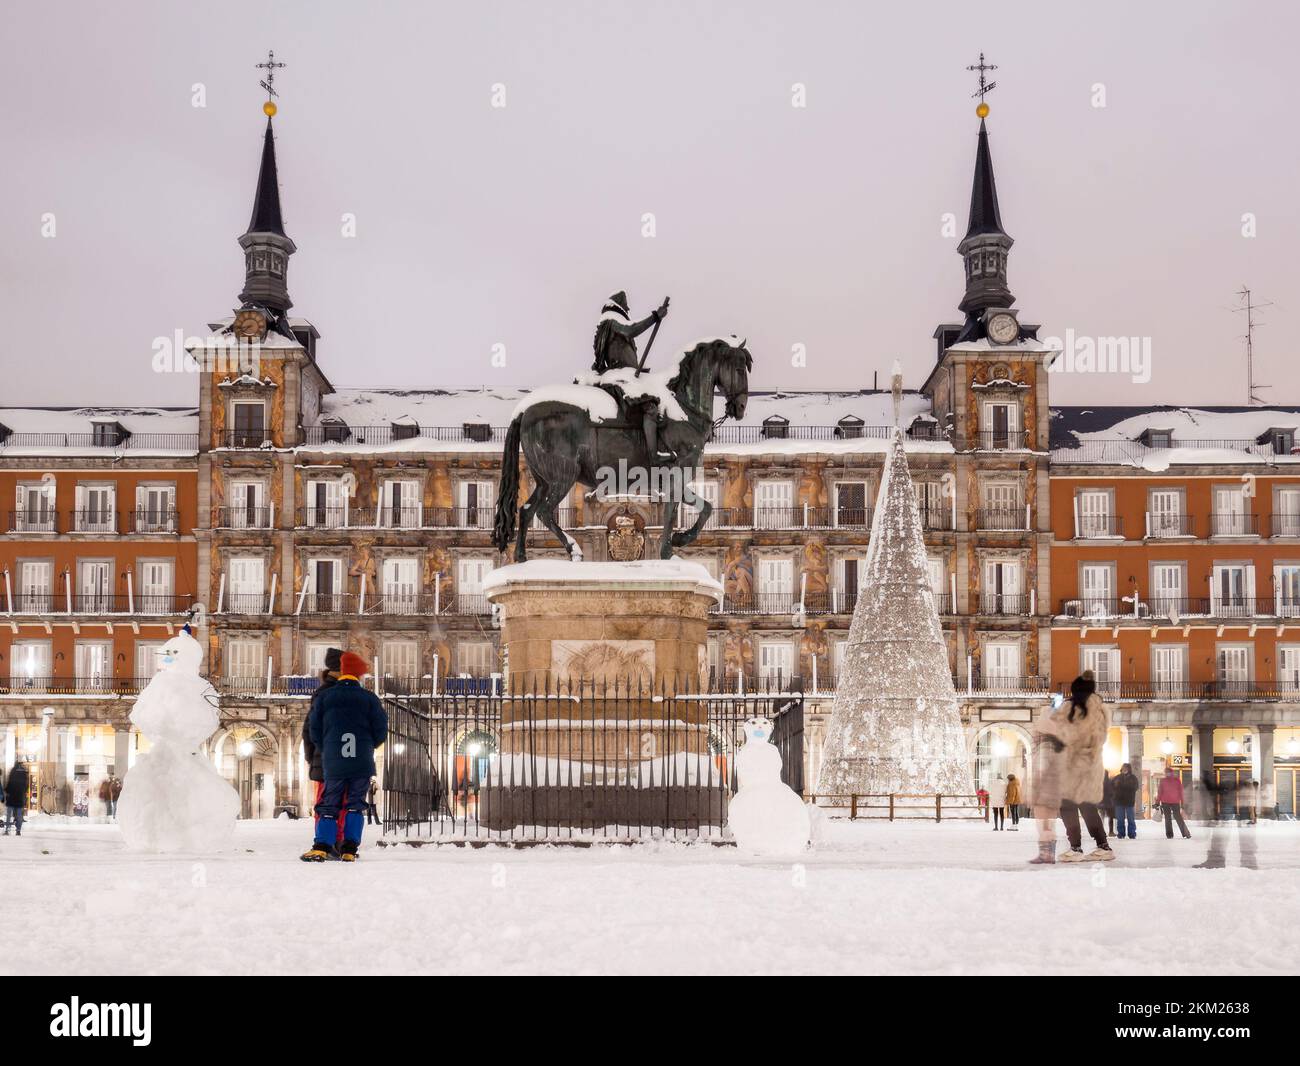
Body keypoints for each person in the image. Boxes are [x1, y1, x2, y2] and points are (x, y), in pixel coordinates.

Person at [302, 652, 388, 863]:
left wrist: (328, 749)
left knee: (329, 803)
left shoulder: (325, 697)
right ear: (358, 675)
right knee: (355, 804)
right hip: (361, 762)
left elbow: (313, 731)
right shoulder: (370, 699)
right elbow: (380, 731)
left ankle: (322, 847)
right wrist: (367, 746)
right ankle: (349, 850)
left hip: (334, 761)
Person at [1031, 672, 1114, 863]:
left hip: (1071, 765)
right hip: (1091, 767)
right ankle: (1103, 846)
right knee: (1088, 807)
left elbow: (1045, 722)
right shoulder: (1102, 710)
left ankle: (1076, 847)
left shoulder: (1068, 707)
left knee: (1068, 806)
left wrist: (1056, 703)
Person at [590, 290, 673, 462]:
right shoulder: (612, 319)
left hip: (625, 375)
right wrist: (655, 317)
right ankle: (653, 456)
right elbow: (631, 330)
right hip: (619, 376)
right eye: (626, 308)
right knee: (650, 407)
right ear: (620, 307)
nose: (627, 312)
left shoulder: (610, 322)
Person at [301, 648, 345, 852]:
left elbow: (309, 729)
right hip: (334, 759)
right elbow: (311, 728)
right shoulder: (329, 692)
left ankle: (332, 840)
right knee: (333, 802)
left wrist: (313, 757)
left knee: (331, 802)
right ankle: (329, 841)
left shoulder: (325, 692)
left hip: (329, 758)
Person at [1156, 766, 1191, 839]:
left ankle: (1169, 835)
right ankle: (1186, 833)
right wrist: (1182, 802)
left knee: (1168, 818)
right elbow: (1180, 792)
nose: (1166, 773)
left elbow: (1160, 792)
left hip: (1166, 801)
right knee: (1178, 818)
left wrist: (1157, 802)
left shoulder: (1165, 780)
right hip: (1174, 801)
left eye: (1167, 772)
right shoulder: (1176, 780)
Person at [1113, 762, 1140, 840]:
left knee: (1131, 819)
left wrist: (1121, 786)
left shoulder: (1133, 778)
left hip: (1129, 802)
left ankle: (1132, 834)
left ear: (1129, 769)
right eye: (1123, 768)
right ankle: (1121, 834)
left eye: (1126, 768)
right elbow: (1112, 787)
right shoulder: (1117, 777)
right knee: (1120, 819)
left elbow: (1135, 787)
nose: (1125, 769)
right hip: (1119, 802)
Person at [4, 761, 30, 836]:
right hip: (20, 797)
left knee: (9, 814)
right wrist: (23, 792)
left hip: (11, 797)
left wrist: (7, 791)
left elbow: (9, 783)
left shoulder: (13, 770)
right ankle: (18, 830)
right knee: (19, 815)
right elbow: (26, 785)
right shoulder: (24, 772)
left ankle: (7, 829)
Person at [1101, 769, 1116, 837]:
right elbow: (1112, 792)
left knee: (1101, 818)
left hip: (1101, 802)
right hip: (1109, 802)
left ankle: (1101, 832)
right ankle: (1111, 832)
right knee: (1111, 817)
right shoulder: (1110, 782)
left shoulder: (1099, 782)